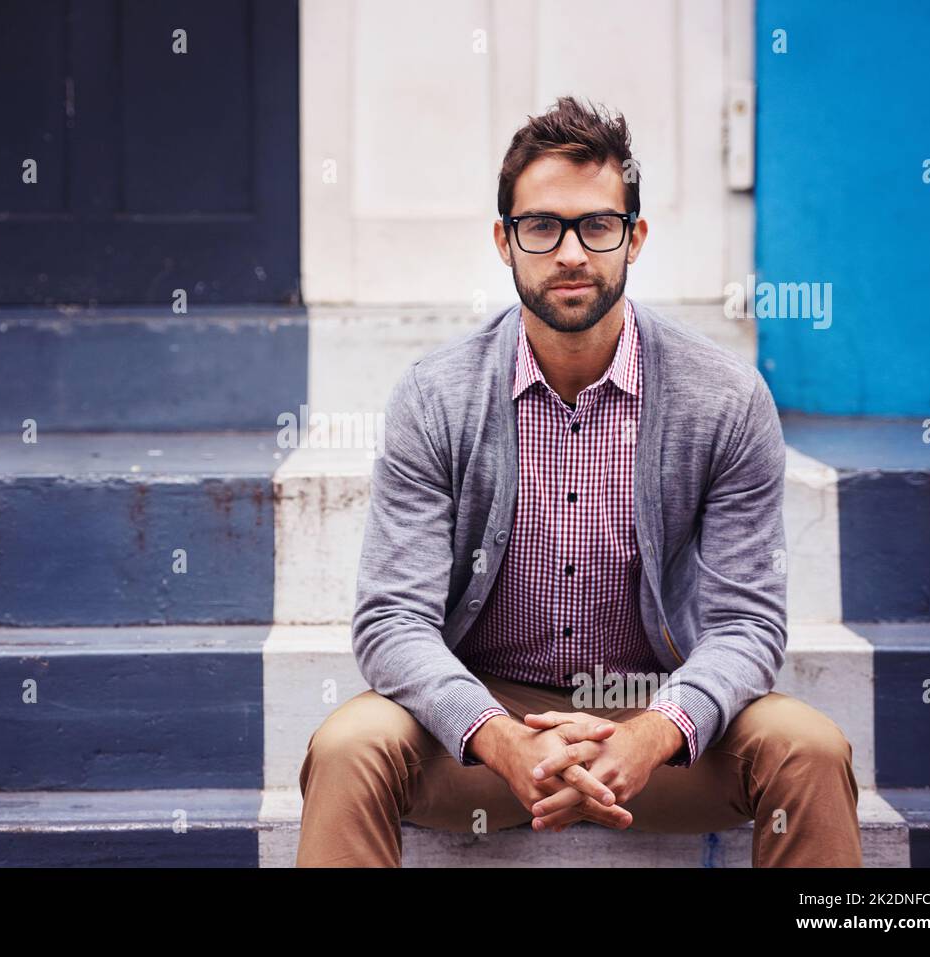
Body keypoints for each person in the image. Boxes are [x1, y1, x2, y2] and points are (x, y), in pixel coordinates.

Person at [296, 96, 861, 868]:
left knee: (809, 749)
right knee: (349, 744)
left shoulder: (725, 399)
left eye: (598, 225)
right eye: (542, 226)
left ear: (635, 238)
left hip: (656, 727)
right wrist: (499, 738)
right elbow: (392, 619)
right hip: (482, 723)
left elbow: (747, 626)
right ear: (505, 240)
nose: (571, 252)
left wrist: (652, 732)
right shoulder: (436, 396)